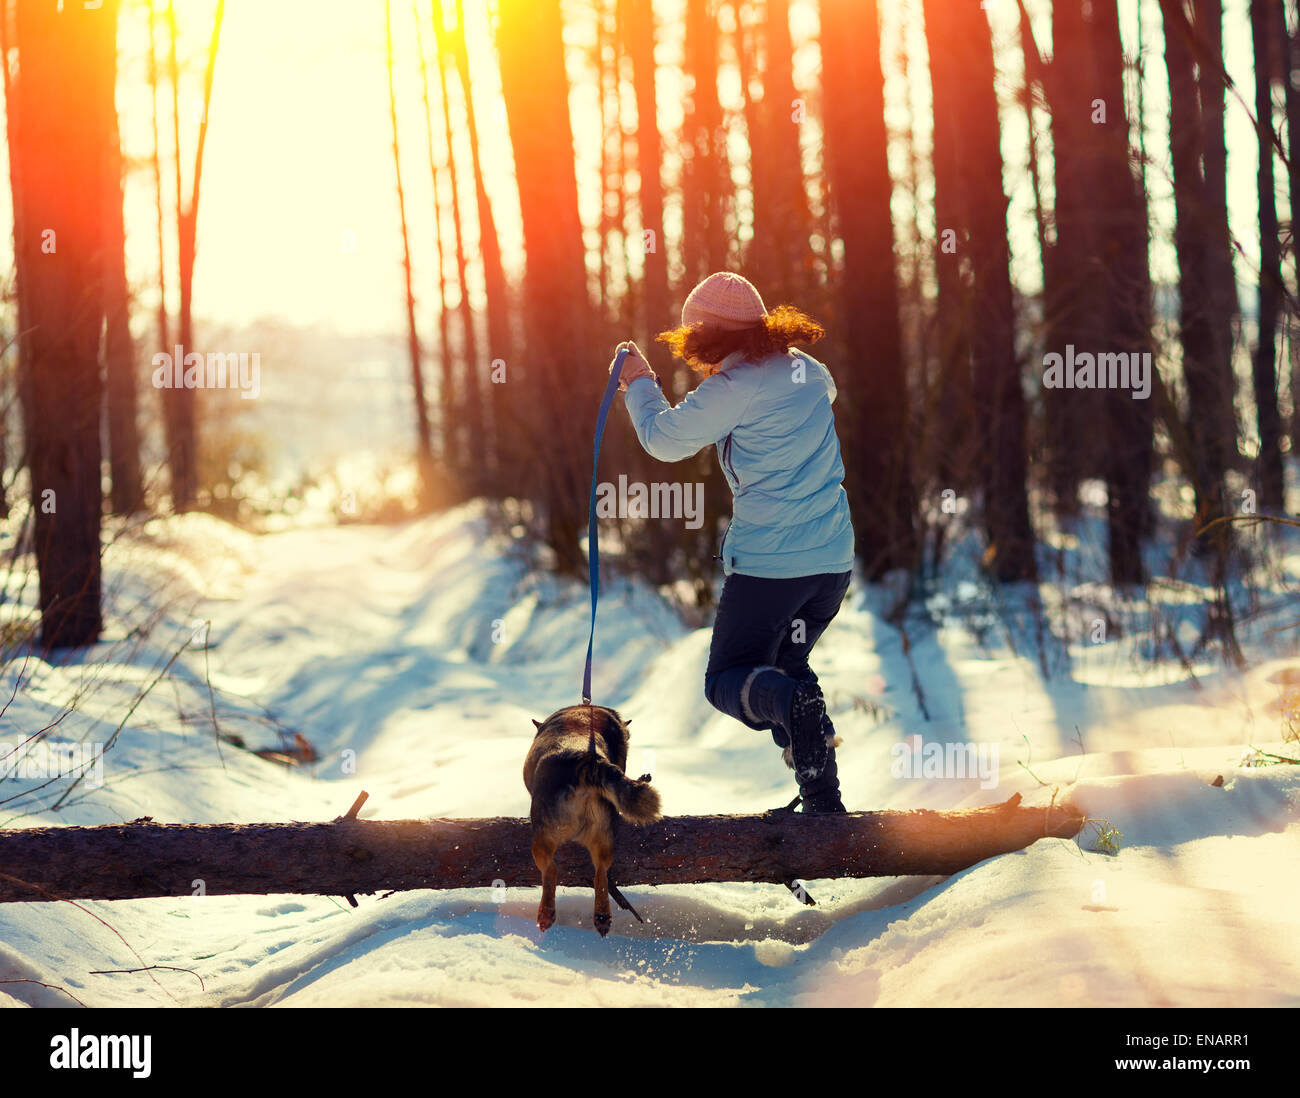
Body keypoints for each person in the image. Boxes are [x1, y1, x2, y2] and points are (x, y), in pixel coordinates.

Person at [609, 271, 854, 813]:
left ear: (709, 336)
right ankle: (824, 805)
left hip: (772, 569)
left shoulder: (737, 386)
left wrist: (640, 381)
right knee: (786, 664)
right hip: (832, 563)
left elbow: (664, 439)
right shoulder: (808, 370)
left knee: (726, 679)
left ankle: (795, 708)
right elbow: (821, 393)